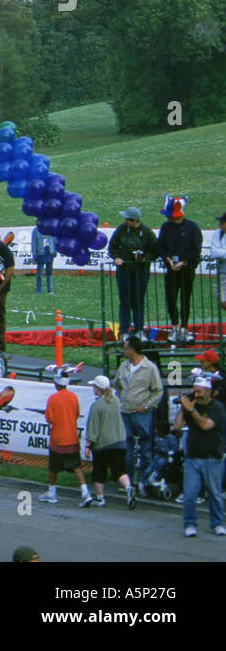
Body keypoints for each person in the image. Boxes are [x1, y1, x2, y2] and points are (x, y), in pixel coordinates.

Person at [175, 376, 226, 537]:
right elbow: (177, 426)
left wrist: (191, 410)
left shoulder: (217, 407)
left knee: (215, 494)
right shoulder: (191, 406)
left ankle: (217, 523)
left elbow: (205, 425)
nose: (196, 394)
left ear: (208, 392)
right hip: (193, 457)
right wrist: (184, 408)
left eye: (199, 391)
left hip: (212, 457)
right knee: (190, 494)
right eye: (194, 390)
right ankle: (190, 524)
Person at [115, 334, 163, 491]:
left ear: (132, 350)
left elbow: (158, 391)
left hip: (141, 413)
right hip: (124, 412)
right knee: (126, 447)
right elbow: (117, 385)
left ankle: (146, 479)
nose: (123, 351)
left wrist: (147, 406)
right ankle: (129, 482)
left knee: (145, 446)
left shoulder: (150, 368)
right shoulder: (123, 367)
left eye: (125, 348)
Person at [84, 375, 136, 510]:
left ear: (98, 389)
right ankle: (129, 488)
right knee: (119, 470)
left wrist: (88, 444)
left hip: (103, 444)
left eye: (94, 386)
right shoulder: (116, 401)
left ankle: (100, 498)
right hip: (119, 441)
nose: (93, 388)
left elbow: (93, 427)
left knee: (99, 471)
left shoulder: (96, 405)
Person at [40, 375, 91, 506]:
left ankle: (52, 492)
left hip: (57, 438)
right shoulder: (73, 397)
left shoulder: (53, 398)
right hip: (72, 437)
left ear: (57, 384)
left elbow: (49, 418)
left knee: (53, 467)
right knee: (76, 466)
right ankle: (85, 492)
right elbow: (76, 413)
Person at [109, 207, 158, 337]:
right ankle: (125, 331)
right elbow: (112, 247)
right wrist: (116, 258)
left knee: (138, 301)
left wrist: (144, 259)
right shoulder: (121, 229)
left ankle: (139, 330)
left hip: (141, 271)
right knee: (124, 300)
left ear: (134, 221)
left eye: (127, 219)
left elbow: (155, 251)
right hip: (124, 270)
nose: (125, 221)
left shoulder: (147, 232)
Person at [158, 197, 202, 337]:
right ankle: (174, 325)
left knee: (185, 298)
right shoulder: (166, 227)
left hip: (187, 269)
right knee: (170, 298)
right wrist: (168, 260)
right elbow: (160, 246)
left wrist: (184, 261)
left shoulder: (192, 227)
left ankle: (184, 326)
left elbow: (196, 248)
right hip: (170, 269)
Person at [208, 212, 226, 313]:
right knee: (220, 299)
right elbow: (214, 252)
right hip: (222, 272)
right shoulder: (218, 233)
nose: (220, 224)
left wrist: (222, 253)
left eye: (222, 222)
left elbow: (218, 252)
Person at [31, 224, 56, 295]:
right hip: (41, 253)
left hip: (50, 252)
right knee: (39, 274)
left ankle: (50, 290)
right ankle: (39, 291)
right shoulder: (35, 230)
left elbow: (54, 240)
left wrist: (55, 251)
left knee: (49, 273)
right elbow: (34, 243)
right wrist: (34, 254)